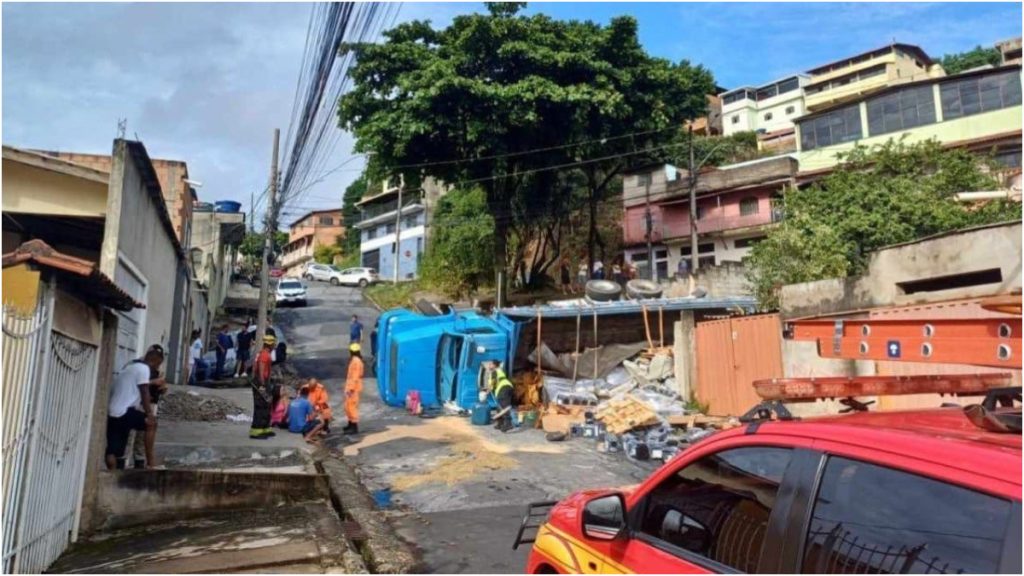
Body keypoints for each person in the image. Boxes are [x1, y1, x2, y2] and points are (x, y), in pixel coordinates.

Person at [106, 344, 165, 470]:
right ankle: (151, 463)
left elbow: (133, 390)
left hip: (112, 412)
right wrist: (149, 414)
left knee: (113, 451)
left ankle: (113, 474)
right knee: (152, 424)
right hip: (125, 411)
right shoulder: (144, 369)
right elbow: (144, 391)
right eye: (157, 365)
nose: (157, 368)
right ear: (154, 361)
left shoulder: (129, 367)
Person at [130, 360, 167, 469]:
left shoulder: (158, 371)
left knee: (143, 436)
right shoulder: (139, 369)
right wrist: (153, 382)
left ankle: (140, 462)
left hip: (151, 404)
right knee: (131, 435)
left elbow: (160, 389)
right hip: (138, 404)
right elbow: (138, 385)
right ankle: (123, 462)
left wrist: (163, 388)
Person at [249, 334, 277, 439]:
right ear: (270, 344)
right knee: (261, 406)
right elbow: (261, 369)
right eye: (274, 343)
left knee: (267, 404)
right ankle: (256, 431)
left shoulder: (265, 353)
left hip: (264, 381)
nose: (275, 345)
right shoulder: (264, 355)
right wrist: (262, 384)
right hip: (261, 382)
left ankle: (265, 428)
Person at [343, 343, 364, 434]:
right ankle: (350, 424)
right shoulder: (355, 360)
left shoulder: (356, 361)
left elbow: (355, 377)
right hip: (351, 388)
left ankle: (354, 427)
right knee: (348, 406)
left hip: (353, 389)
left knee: (351, 407)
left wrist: (351, 389)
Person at [489, 361, 515, 433]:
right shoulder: (499, 370)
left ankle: (508, 423)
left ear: (494, 365)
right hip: (506, 387)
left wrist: (487, 391)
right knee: (499, 405)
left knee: (504, 406)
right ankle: (500, 423)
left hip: (504, 388)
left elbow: (493, 383)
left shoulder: (495, 371)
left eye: (490, 364)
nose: (489, 365)